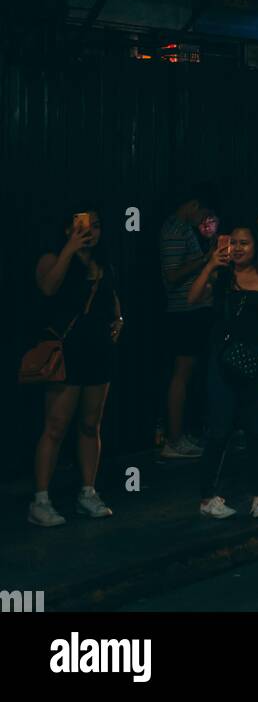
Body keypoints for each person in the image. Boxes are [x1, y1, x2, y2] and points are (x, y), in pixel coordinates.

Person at [28, 207, 123, 527]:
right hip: (66, 350)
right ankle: (40, 500)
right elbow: (48, 287)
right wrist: (69, 249)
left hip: (98, 349)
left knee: (90, 424)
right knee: (55, 425)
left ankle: (87, 492)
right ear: (67, 229)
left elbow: (110, 293)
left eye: (96, 226)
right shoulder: (52, 257)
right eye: (82, 226)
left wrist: (119, 317)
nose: (91, 232)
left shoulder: (102, 260)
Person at [188, 221, 258, 519]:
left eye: (245, 242)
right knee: (219, 432)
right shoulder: (221, 279)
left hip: (257, 366)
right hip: (221, 366)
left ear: (256, 246)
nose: (238, 248)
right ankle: (207, 498)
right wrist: (210, 265)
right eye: (233, 243)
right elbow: (191, 299)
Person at [159, 186, 219, 459]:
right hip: (184, 311)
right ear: (193, 205)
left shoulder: (183, 230)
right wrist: (204, 261)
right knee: (181, 374)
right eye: (203, 213)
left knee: (189, 373)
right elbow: (171, 276)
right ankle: (174, 438)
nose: (203, 219)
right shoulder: (174, 230)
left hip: (193, 310)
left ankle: (182, 434)